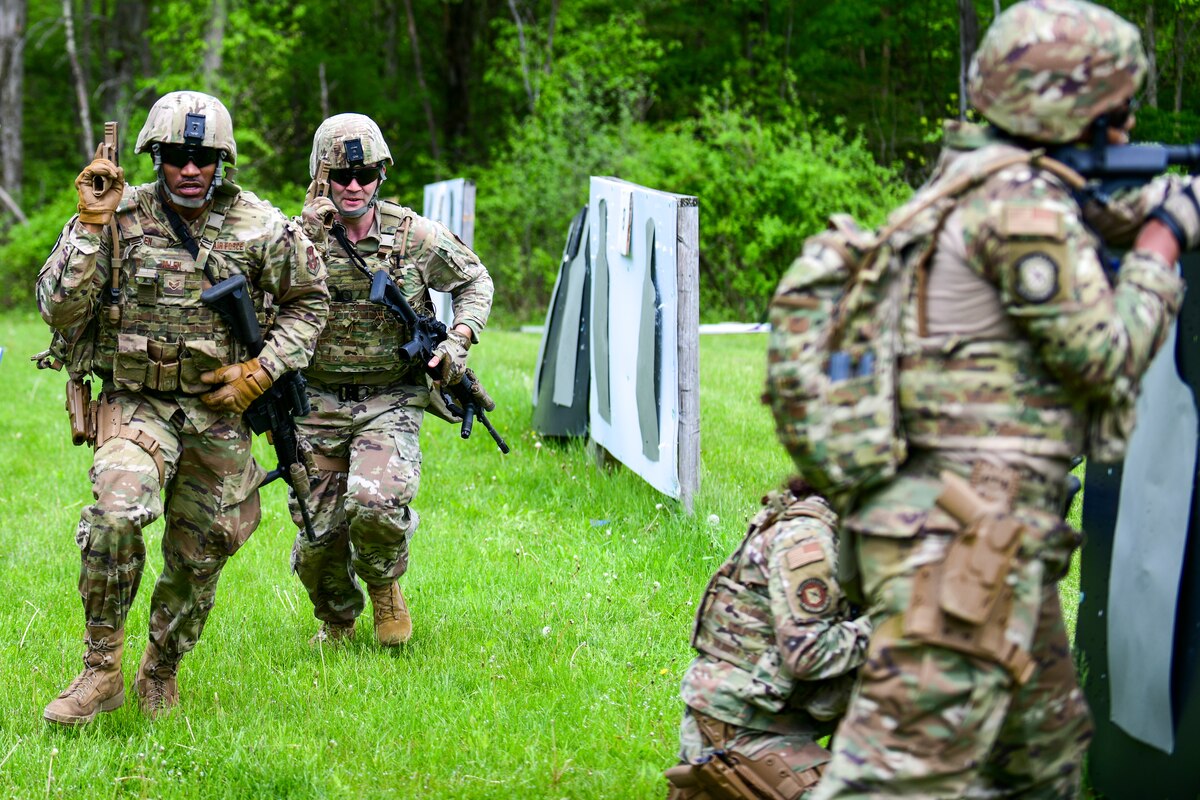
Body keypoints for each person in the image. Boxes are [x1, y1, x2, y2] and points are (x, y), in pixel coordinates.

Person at [800, 1, 1200, 797]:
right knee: (895, 779)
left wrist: (1143, 213)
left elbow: (1078, 229)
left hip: (985, 529)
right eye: (1116, 113)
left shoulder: (978, 182)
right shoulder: (1020, 208)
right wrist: (1166, 237)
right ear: (1066, 109)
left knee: (1043, 755)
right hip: (953, 544)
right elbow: (1108, 363)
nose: (1124, 131)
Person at [36, 91, 329, 724]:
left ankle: (160, 671)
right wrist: (88, 226)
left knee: (203, 552)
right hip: (135, 405)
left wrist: (261, 371)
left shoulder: (260, 226)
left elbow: (311, 304)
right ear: (155, 156)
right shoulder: (114, 212)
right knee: (115, 514)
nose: (189, 169)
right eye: (175, 156)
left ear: (220, 159)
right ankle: (101, 670)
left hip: (219, 412)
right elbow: (57, 309)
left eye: (201, 157)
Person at [291, 113, 493, 646]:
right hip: (315, 399)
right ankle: (336, 618)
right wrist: (304, 239)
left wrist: (458, 341)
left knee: (375, 503)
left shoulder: (415, 236)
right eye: (340, 176)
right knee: (318, 534)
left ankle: (384, 586)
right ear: (320, 177)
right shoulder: (294, 239)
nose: (353, 187)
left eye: (366, 175)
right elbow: (257, 301)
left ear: (381, 175)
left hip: (391, 395)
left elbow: (475, 279)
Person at [664, 480, 872, 799]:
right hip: (738, 731)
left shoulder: (853, 531)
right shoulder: (808, 539)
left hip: (784, 720)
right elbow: (807, 653)